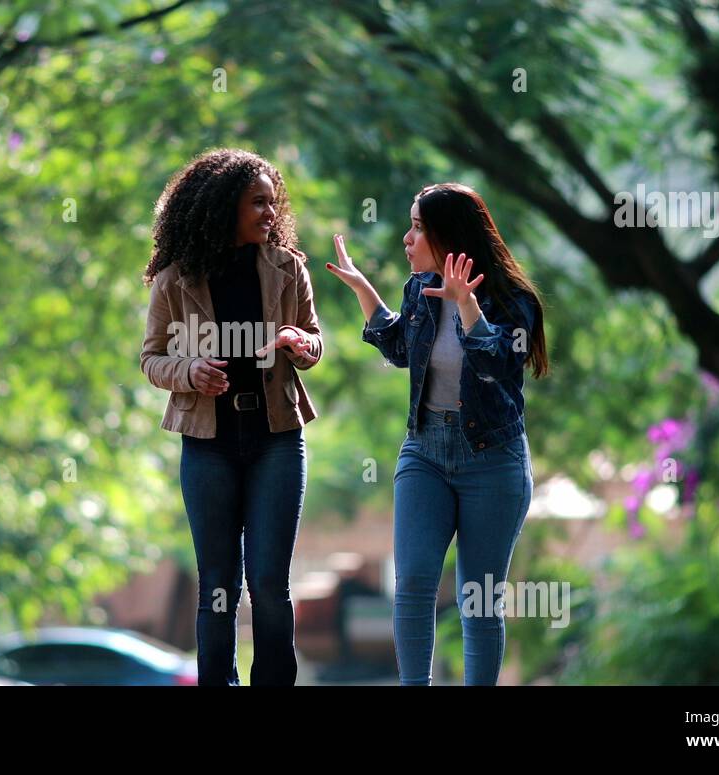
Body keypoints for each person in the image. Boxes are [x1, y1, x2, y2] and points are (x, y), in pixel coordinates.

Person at [324, 182, 549, 685]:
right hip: (424, 450)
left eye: (419, 228)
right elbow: (403, 349)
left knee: (480, 599)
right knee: (414, 582)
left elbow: (497, 365)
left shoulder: (513, 300)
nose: (406, 238)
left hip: (492, 460)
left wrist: (467, 305)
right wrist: (365, 290)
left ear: (450, 236)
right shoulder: (418, 290)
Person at [140, 148, 323, 685]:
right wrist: (190, 371)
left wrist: (299, 343)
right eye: (256, 203)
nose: (270, 213)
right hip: (208, 442)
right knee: (217, 581)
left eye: (272, 202)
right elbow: (152, 358)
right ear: (224, 209)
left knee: (268, 581)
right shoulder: (175, 279)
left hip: (276, 437)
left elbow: (314, 342)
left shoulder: (288, 269)